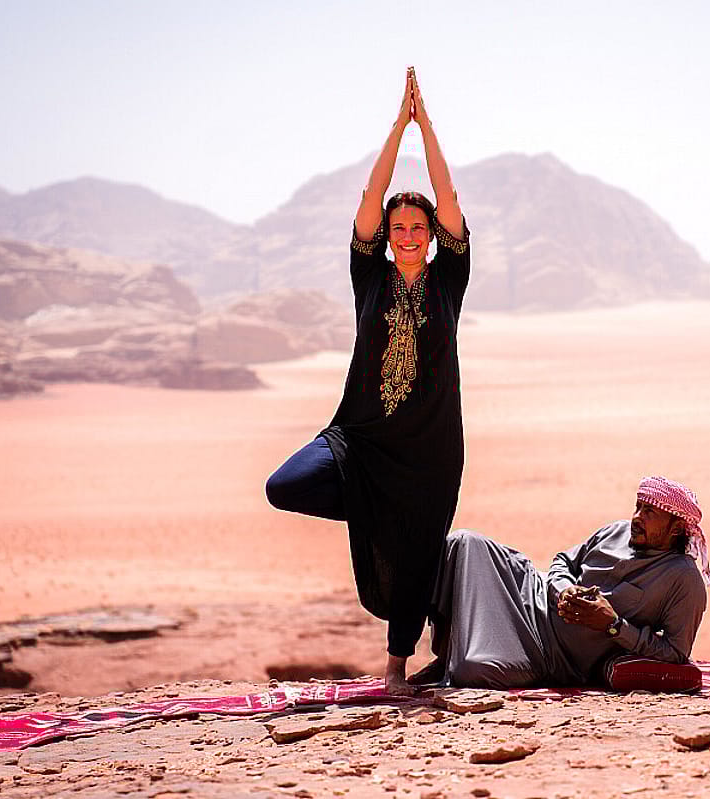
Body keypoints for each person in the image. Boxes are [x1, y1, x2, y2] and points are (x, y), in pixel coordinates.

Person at [265, 67, 470, 696]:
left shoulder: (448, 282)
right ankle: (373, 511)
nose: (408, 237)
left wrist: (427, 126)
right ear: (387, 236)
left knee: (416, 553)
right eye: (397, 229)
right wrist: (397, 127)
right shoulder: (369, 278)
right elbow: (368, 197)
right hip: (361, 437)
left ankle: (396, 669)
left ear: (431, 236)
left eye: (419, 229)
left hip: (430, 450)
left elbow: (451, 197)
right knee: (285, 486)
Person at [412, 476, 710, 689]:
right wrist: (564, 589)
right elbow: (563, 562)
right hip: (531, 591)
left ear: (675, 528)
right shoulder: (615, 532)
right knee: (464, 543)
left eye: (649, 513)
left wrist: (613, 625)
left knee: (472, 671)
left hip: (548, 654)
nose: (636, 518)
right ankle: (445, 654)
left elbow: (675, 653)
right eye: (637, 508)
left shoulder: (683, 579)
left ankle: (456, 659)